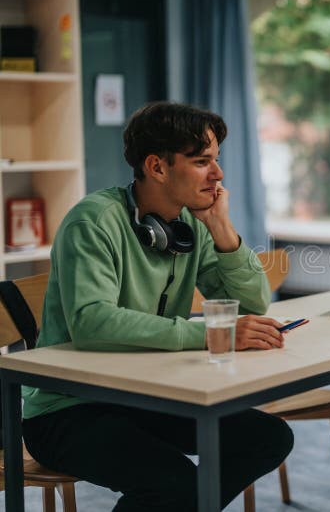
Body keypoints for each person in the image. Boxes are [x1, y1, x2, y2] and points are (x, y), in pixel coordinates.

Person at [21, 102, 294, 511]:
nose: (218, 174)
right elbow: (92, 322)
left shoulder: (189, 226)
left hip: (144, 394)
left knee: (268, 437)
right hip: (69, 409)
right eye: (203, 162)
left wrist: (220, 227)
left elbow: (254, 304)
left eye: (216, 161)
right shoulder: (94, 220)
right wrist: (210, 334)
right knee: (173, 484)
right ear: (157, 167)